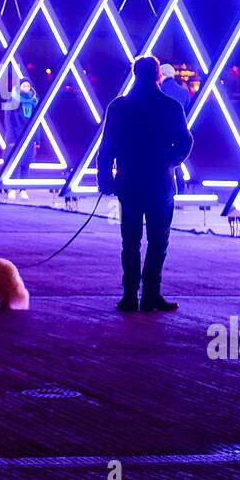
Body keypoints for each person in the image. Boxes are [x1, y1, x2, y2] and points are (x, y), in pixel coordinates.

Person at [97, 55, 193, 313]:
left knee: (130, 242)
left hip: (128, 180)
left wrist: (105, 178)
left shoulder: (119, 107)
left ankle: (129, 296)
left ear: (135, 75)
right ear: (158, 76)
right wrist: (169, 162)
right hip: (160, 182)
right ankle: (151, 295)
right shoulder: (170, 106)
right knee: (158, 242)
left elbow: (107, 147)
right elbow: (185, 143)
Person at [4, 78, 40, 198]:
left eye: (28, 86)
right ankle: (12, 188)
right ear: (19, 87)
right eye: (24, 86)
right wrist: (11, 139)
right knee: (14, 163)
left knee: (26, 163)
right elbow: (8, 121)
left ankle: (23, 189)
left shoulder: (34, 101)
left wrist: (37, 139)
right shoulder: (13, 100)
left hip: (28, 137)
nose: (26, 88)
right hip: (16, 136)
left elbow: (37, 122)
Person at [159, 63, 192, 189]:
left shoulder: (160, 90)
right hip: (178, 131)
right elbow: (187, 111)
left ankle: (164, 190)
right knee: (176, 161)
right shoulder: (183, 92)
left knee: (161, 161)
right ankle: (181, 189)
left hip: (162, 131)